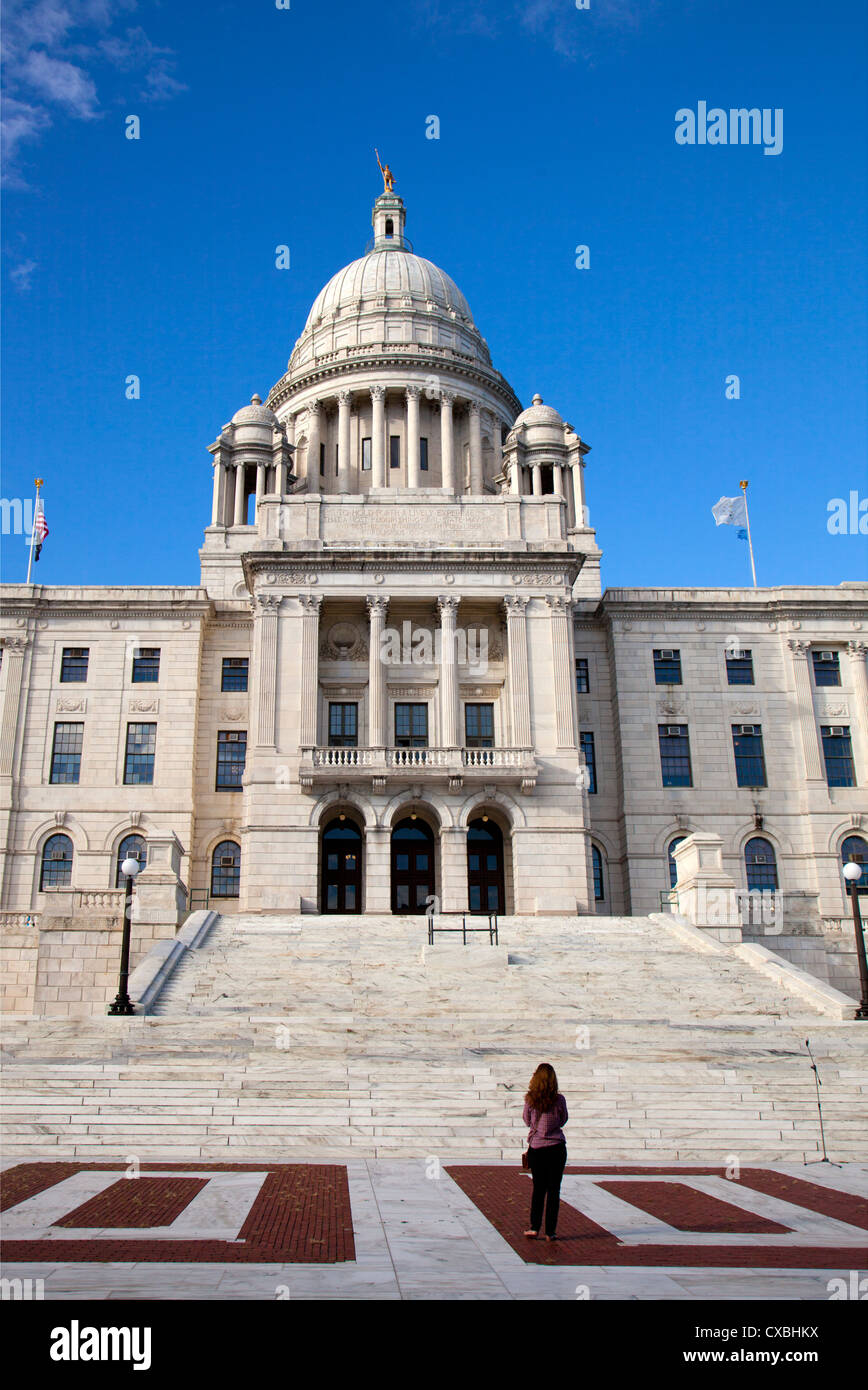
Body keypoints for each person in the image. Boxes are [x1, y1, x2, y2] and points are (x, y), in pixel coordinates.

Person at [522, 1062, 568, 1241]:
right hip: (556, 1147)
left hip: (537, 1148)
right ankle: (551, 1231)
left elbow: (526, 1120)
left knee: (539, 1189)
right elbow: (563, 1119)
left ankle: (534, 1227)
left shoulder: (530, 1099)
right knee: (554, 1189)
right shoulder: (559, 1099)